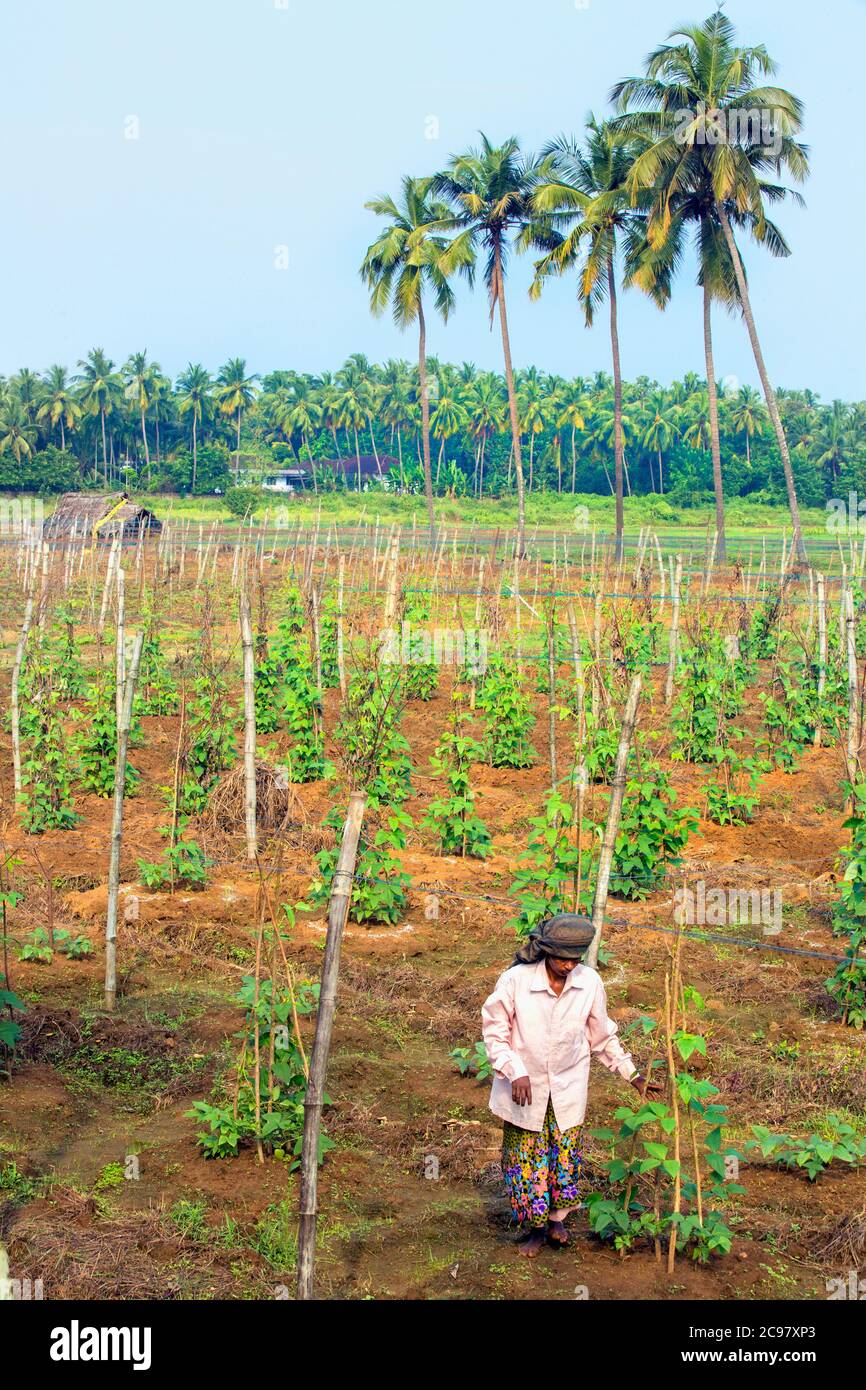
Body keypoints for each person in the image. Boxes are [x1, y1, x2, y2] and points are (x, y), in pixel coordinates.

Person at [481, 913, 662, 1257]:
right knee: (526, 1157)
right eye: (563, 958)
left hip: (568, 1084)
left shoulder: (589, 983)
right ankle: (534, 1229)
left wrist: (633, 1075)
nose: (569, 966)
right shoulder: (515, 981)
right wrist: (513, 1069)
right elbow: (495, 1032)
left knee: (563, 1154)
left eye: (575, 960)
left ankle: (557, 1222)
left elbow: (602, 1034)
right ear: (547, 951)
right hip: (525, 1087)